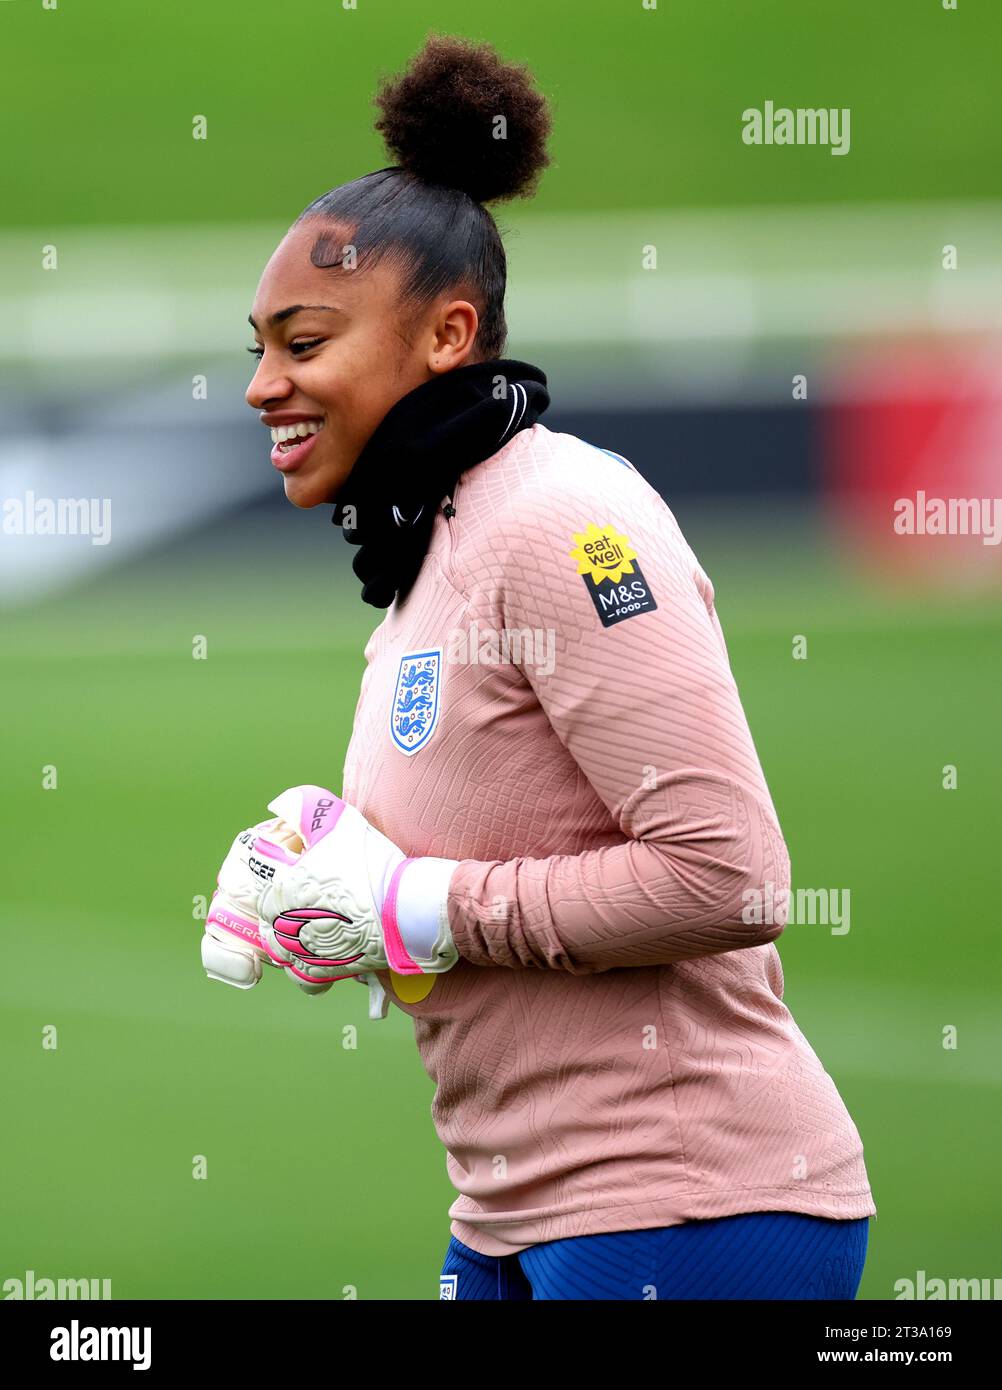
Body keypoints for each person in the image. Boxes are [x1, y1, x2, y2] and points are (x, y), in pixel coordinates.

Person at [202, 34, 875, 1300]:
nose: (260, 385)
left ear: (449, 333)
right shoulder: (425, 546)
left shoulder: (558, 520)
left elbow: (729, 875)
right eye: (257, 345)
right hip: (515, 1211)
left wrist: (422, 908)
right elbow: (484, 846)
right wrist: (327, 864)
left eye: (303, 343)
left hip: (688, 1209)